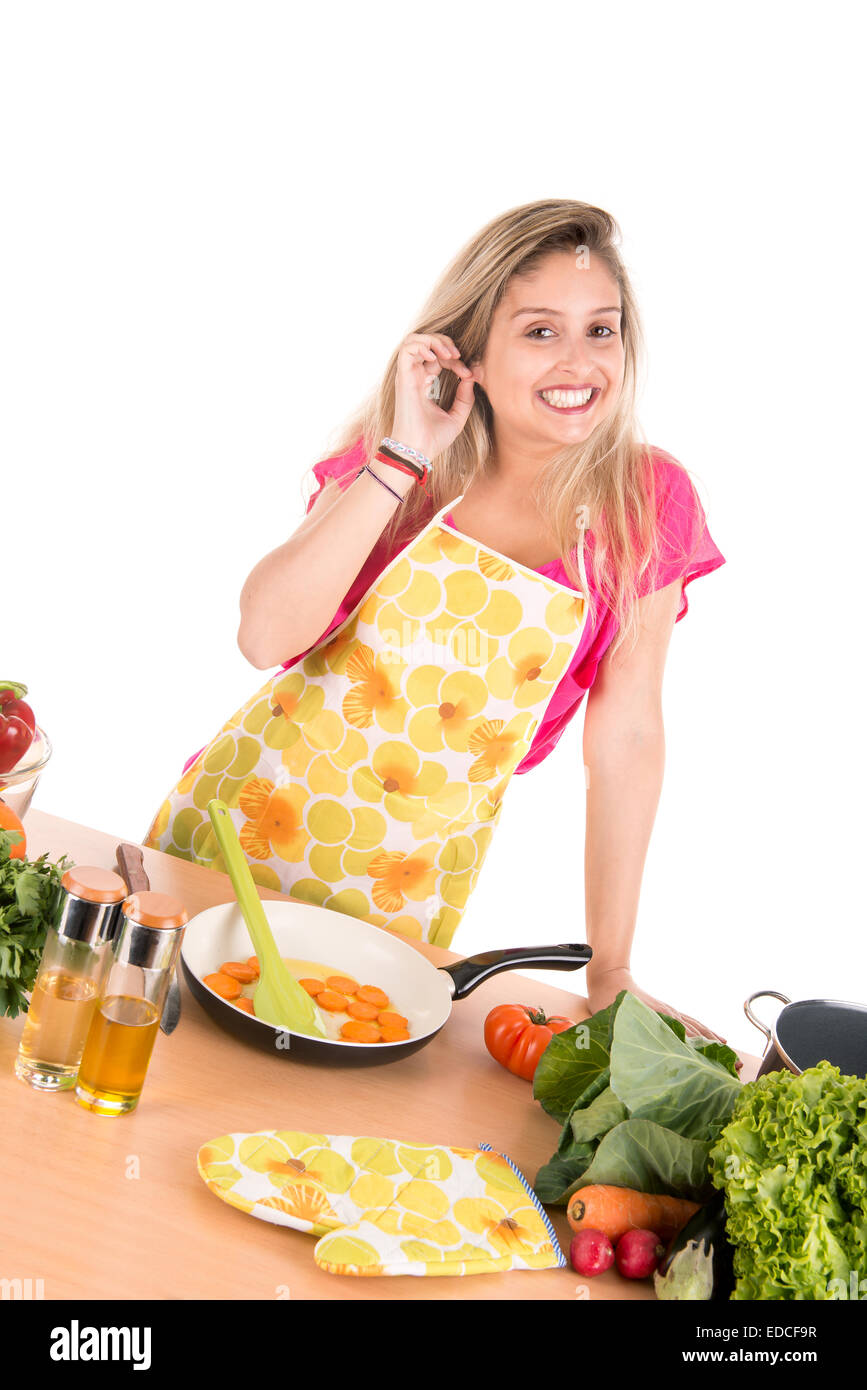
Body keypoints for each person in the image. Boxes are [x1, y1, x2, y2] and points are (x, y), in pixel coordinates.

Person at [144, 198, 727, 1043]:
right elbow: (263, 636)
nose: (578, 361)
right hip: (232, 848)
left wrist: (611, 968)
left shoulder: (644, 502)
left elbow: (629, 736)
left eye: (600, 330)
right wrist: (403, 452)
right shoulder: (404, 467)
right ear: (473, 354)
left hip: (405, 895)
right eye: (538, 332)